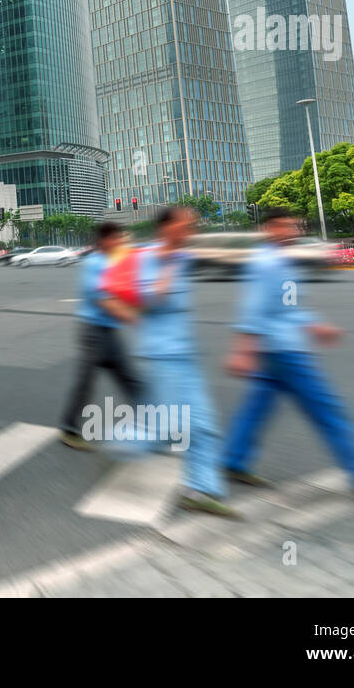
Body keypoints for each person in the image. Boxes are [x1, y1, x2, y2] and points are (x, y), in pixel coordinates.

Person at [222, 208, 354, 501]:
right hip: (285, 351)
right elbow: (253, 309)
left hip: (277, 349)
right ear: (268, 229)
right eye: (284, 226)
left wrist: (315, 325)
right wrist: (242, 351)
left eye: (293, 226)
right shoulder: (266, 263)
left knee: (257, 408)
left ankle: (234, 461)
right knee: (328, 411)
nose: (292, 232)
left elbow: (288, 306)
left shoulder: (280, 261)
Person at [134, 206, 235, 517]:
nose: (191, 231)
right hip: (162, 356)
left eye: (193, 226)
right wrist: (166, 264)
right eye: (186, 225)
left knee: (202, 425)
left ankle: (201, 488)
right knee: (171, 428)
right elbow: (149, 300)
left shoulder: (183, 256)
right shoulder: (148, 257)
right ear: (167, 228)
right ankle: (124, 442)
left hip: (185, 355)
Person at [59, 221, 143, 450]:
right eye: (117, 238)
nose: (121, 242)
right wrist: (134, 319)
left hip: (109, 331)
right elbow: (102, 297)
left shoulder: (113, 262)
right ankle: (69, 430)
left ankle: (153, 423)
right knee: (85, 383)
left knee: (130, 379)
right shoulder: (94, 263)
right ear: (104, 241)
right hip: (94, 332)